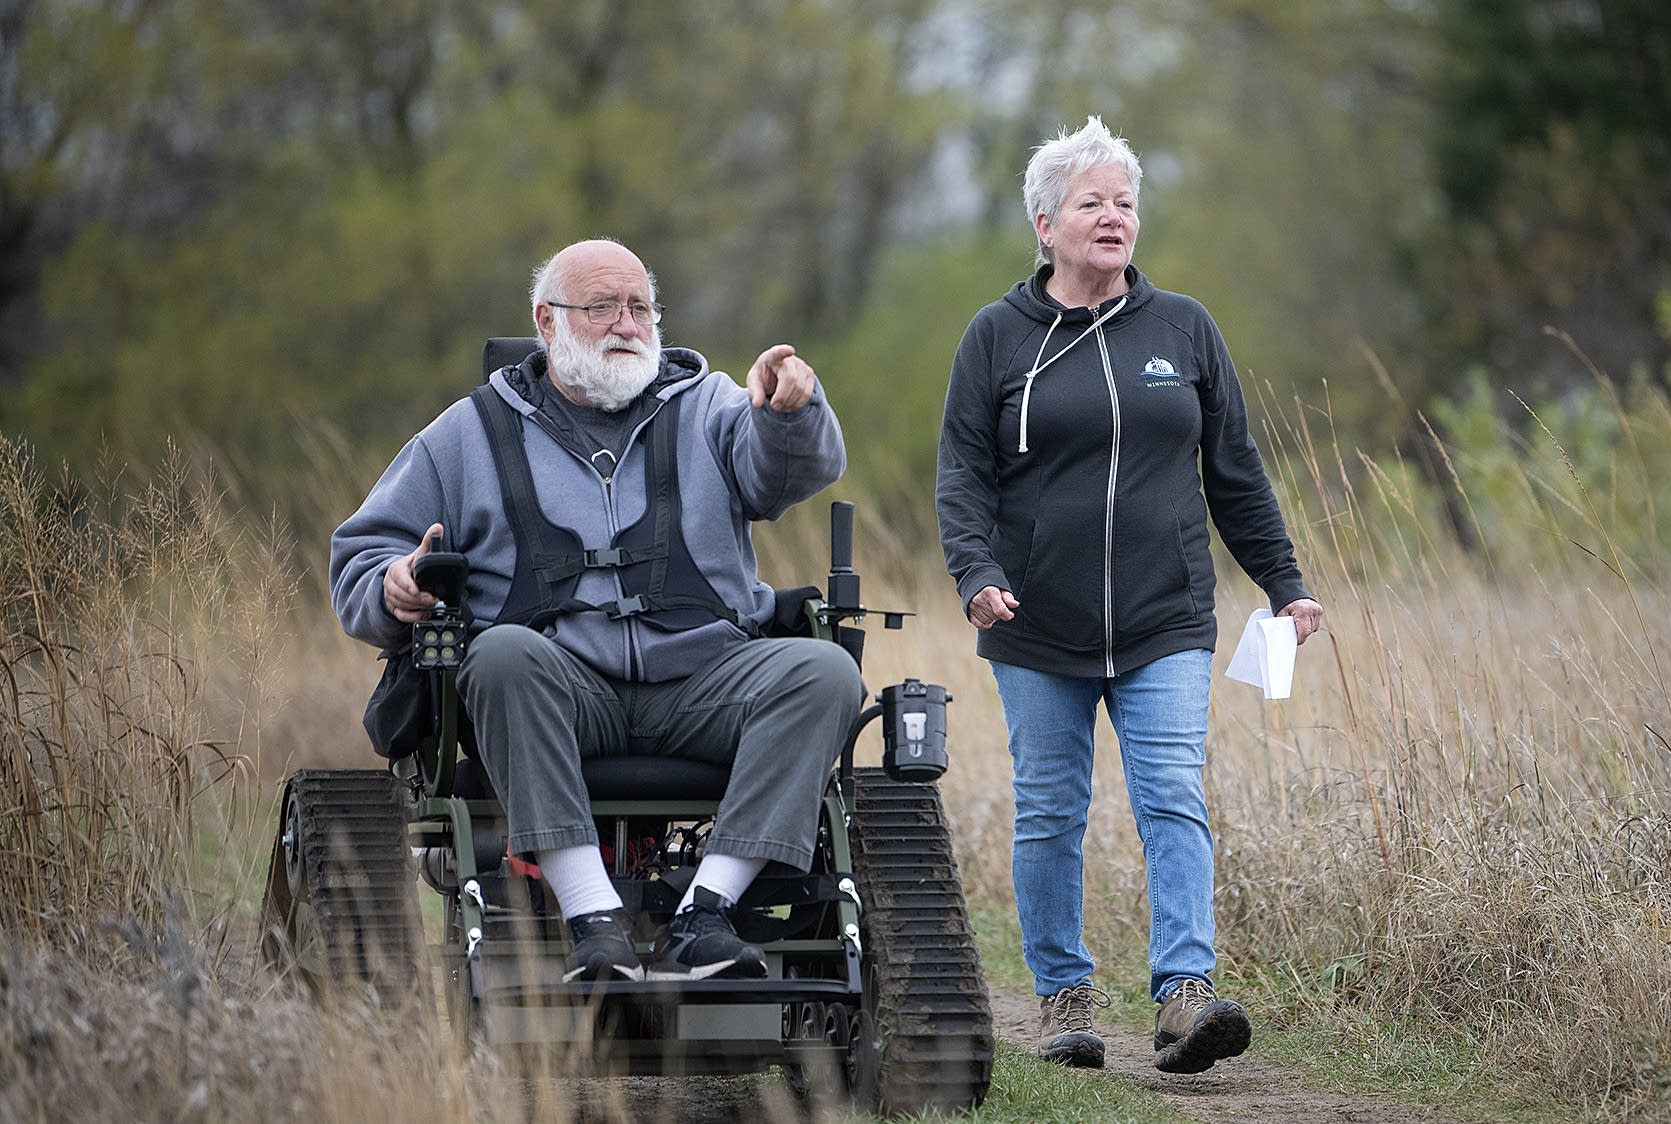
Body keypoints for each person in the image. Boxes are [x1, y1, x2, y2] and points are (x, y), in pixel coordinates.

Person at [331, 238, 861, 982]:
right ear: (546, 321)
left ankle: (705, 914)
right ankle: (593, 918)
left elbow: (789, 475)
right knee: (501, 653)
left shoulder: (710, 406)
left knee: (824, 671)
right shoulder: (468, 433)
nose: (627, 324)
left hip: (704, 682)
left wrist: (787, 412)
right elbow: (360, 554)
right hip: (557, 691)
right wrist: (393, 584)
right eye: (603, 306)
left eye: (640, 307)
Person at [935, 118, 1323, 1073]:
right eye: (1091, 203)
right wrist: (976, 574)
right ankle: (1063, 999)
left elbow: (1234, 471)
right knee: (1049, 811)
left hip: (1165, 618)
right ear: (1045, 224)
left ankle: (1185, 996)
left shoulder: (1182, 328)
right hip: (1036, 624)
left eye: (1125, 202)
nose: (1114, 217)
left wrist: (1285, 584)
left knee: (1174, 796)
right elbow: (962, 474)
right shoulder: (996, 336)